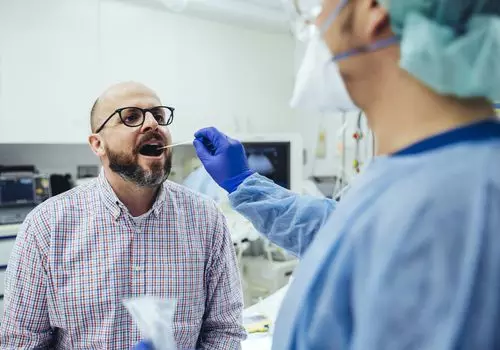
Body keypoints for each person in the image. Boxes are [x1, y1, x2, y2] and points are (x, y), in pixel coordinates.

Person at [191, 0, 500, 349]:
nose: (315, 24)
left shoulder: (445, 207)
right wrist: (245, 185)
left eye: (319, 7)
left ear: (374, 11)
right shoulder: (421, 172)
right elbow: (336, 230)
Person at [0, 82, 246, 349]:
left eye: (159, 116)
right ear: (97, 144)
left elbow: (224, 332)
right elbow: (21, 343)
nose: (153, 124)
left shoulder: (206, 219)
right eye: (131, 117)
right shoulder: (46, 227)